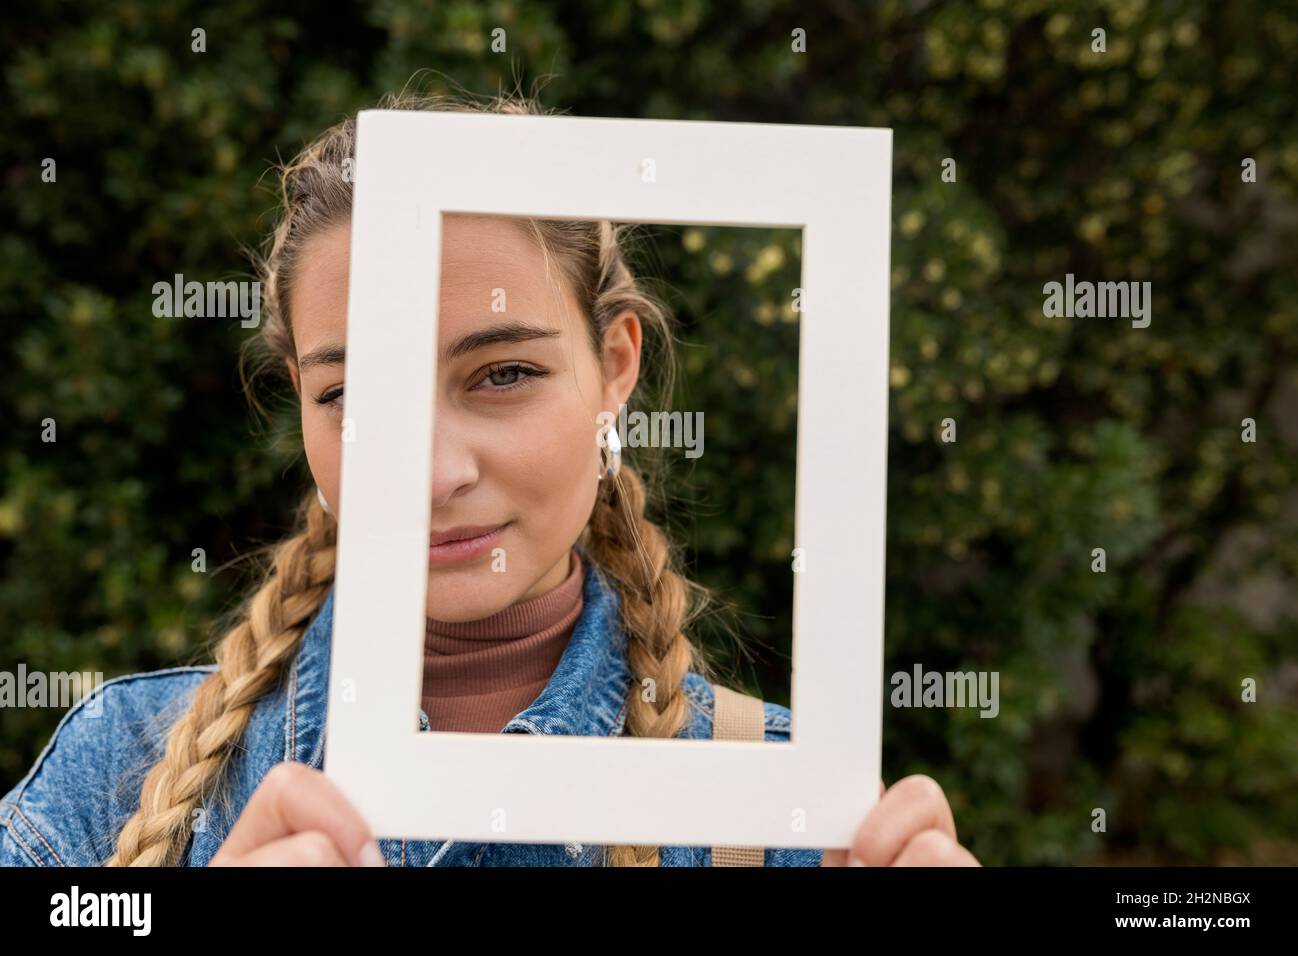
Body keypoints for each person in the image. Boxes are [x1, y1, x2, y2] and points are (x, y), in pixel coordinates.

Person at [0, 87, 979, 868]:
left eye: (503, 373)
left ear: (617, 364)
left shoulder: (781, 816)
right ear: (298, 398)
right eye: (352, 394)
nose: (434, 472)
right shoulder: (116, 776)